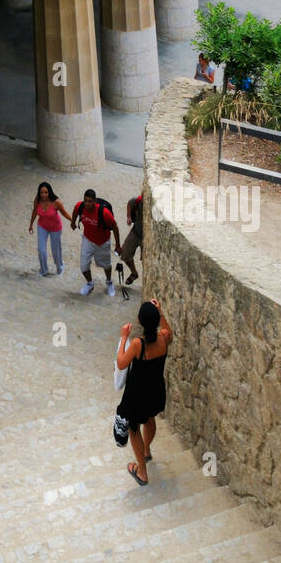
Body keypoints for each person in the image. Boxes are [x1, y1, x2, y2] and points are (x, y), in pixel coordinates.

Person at [116, 298, 173, 485]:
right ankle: (147, 450)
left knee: (134, 430)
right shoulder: (164, 339)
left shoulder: (138, 344)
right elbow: (168, 331)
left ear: (139, 321)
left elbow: (121, 363)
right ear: (156, 321)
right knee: (150, 419)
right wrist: (161, 313)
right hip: (156, 390)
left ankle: (142, 472)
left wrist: (124, 336)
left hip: (137, 395)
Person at [71, 187, 121, 297]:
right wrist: (73, 222)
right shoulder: (80, 206)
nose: (87, 204)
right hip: (88, 239)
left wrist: (117, 245)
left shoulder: (104, 213)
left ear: (95, 201)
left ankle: (109, 282)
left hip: (103, 242)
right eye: (86, 201)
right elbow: (75, 211)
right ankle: (90, 283)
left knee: (106, 265)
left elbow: (115, 227)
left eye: (90, 201)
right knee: (83, 266)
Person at [28, 181, 72, 276]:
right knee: (41, 250)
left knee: (55, 251)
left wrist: (72, 221)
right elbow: (34, 212)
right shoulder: (37, 200)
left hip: (55, 228)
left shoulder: (56, 202)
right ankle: (43, 270)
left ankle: (60, 266)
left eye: (46, 192)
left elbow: (64, 213)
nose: (43, 195)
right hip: (42, 226)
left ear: (50, 192)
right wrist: (31, 224)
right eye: (41, 192)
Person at [121, 191, 143, 286]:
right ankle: (134, 273)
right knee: (125, 254)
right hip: (135, 232)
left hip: (146, 240)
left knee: (147, 264)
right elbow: (130, 203)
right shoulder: (138, 200)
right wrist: (129, 216)